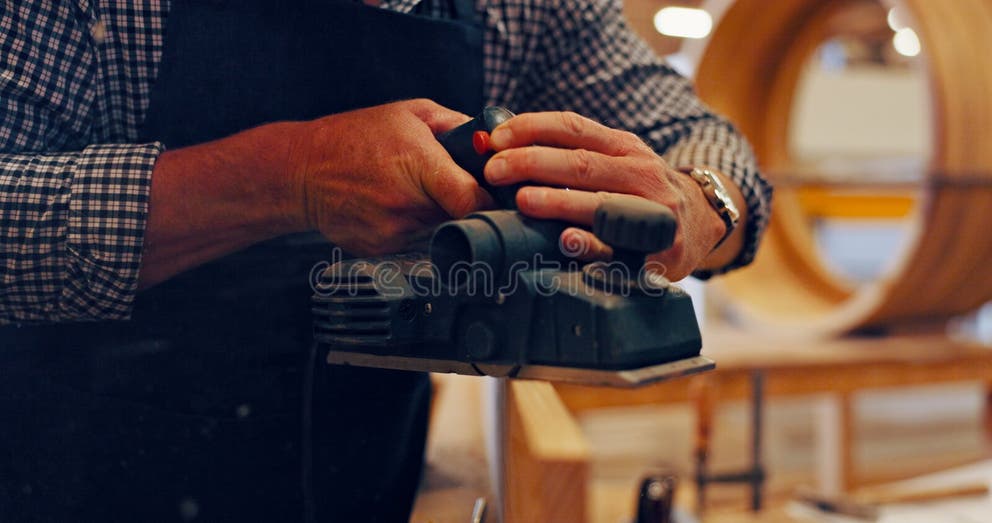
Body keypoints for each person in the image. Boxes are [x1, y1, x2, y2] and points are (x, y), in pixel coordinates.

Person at [0, 0, 772, 521]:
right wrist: (285, 174)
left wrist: (698, 202)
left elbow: (702, 140)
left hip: (366, 485)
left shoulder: (524, 9)